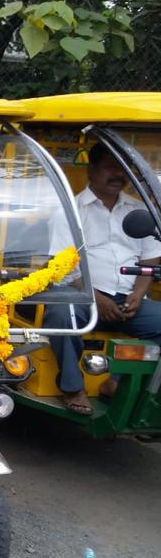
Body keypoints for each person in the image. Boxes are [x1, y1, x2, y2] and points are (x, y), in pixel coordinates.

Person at [45, 142, 161, 414]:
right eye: (110, 167)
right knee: (61, 317)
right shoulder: (70, 210)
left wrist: (137, 294)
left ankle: (119, 383)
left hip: (129, 298)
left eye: (123, 169)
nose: (118, 175)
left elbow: (151, 258)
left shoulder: (138, 210)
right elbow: (65, 267)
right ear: (91, 170)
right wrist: (97, 298)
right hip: (83, 295)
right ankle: (73, 388)